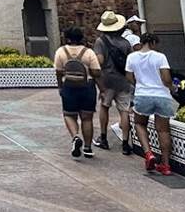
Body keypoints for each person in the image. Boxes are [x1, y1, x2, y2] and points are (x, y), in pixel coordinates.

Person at [126, 33, 177, 176]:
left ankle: (148, 154)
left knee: (140, 123)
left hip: (142, 94)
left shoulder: (132, 57)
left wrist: (140, 84)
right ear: (153, 43)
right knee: (163, 130)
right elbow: (166, 78)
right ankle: (166, 165)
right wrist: (172, 88)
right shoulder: (160, 57)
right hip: (162, 96)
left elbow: (129, 77)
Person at [93, 11, 135, 155]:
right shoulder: (126, 43)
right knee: (124, 111)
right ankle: (125, 142)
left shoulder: (101, 42)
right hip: (123, 80)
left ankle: (103, 138)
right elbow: (130, 63)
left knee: (105, 107)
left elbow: (99, 62)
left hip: (107, 80)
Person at [54, 28, 99, 159]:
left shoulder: (61, 52)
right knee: (87, 118)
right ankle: (88, 148)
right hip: (87, 87)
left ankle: (75, 137)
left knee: (69, 115)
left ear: (67, 38)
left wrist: (60, 87)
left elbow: (58, 71)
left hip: (69, 87)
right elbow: (96, 71)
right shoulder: (88, 52)